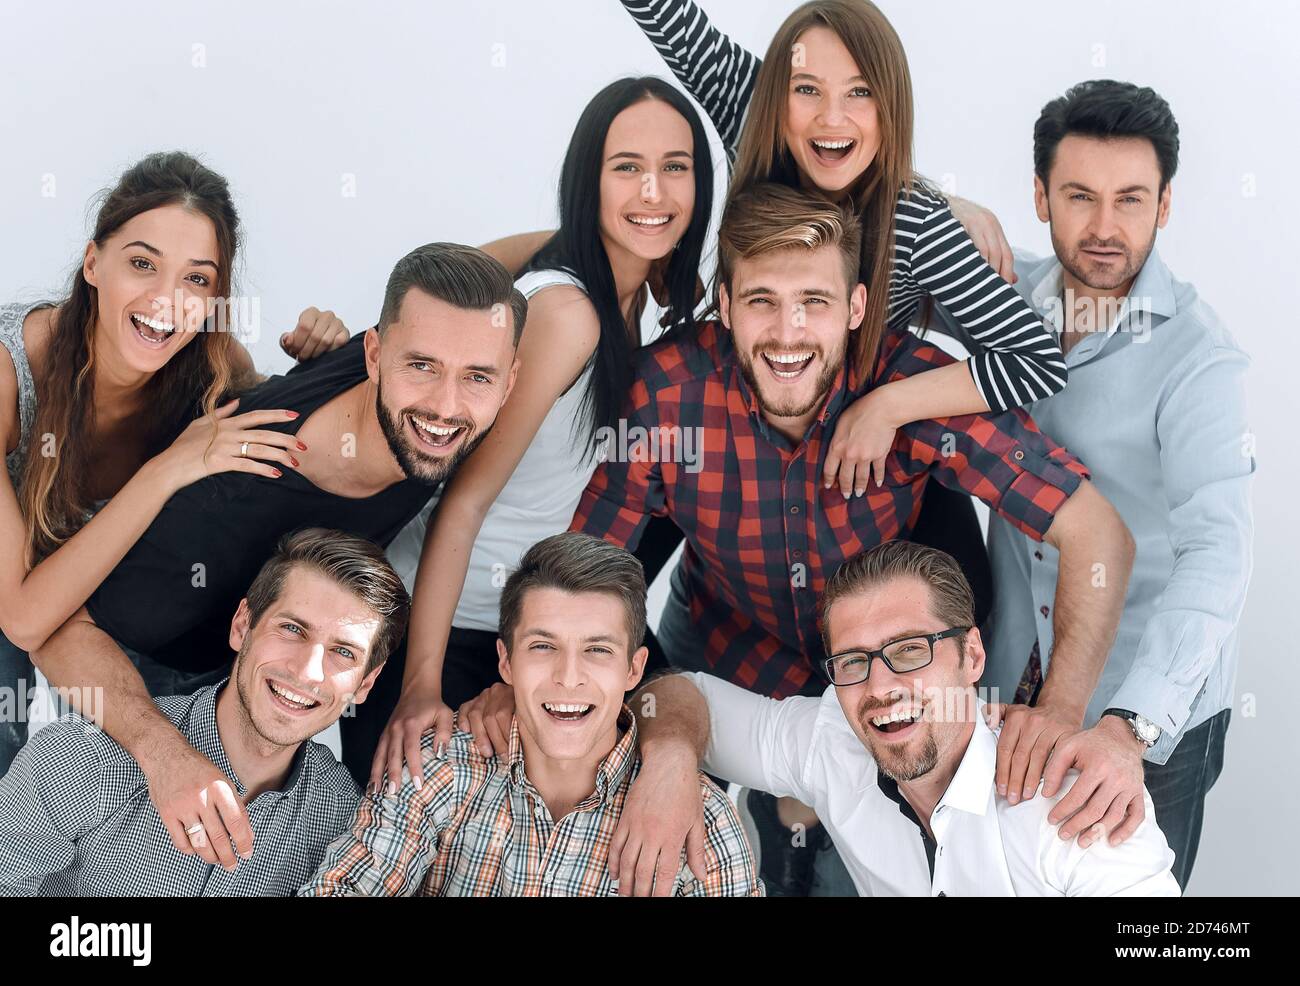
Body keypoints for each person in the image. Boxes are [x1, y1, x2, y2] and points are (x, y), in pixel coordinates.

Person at [464, 184, 1139, 896]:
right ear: (723, 306)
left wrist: (1061, 713)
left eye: (814, 303)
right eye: (761, 301)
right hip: (725, 640)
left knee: (848, 868)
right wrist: (530, 684)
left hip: (873, 673)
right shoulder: (667, 392)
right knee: (658, 826)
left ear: (854, 308)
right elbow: (589, 571)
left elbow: (1100, 536)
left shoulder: (908, 382)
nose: (788, 334)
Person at [25, 241, 525, 871]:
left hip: (271, 673)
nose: (447, 405)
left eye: (476, 376)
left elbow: (460, 286)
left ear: (509, 382)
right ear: (375, 355)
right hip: (141, 687)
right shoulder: (230, 500)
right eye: (420, 366)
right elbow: (55, 626)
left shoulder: (417, 404)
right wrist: (163, 751)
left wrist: (562, 234)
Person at [616, 0, 1075, 624]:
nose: (831, 118)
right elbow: (666, 16)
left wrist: (886, 406)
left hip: (866, 461)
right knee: (609, 581)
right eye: (808, 89)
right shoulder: (755, 109)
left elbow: (1034, 361)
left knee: (957, 616)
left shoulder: (915, 220)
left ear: (892, 105)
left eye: (860, 92)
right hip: (741, 426)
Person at [374, 77, 715, 789]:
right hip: (443, 632)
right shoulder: (569, 313)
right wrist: (419, 688)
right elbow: (461, 502)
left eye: (674, 167)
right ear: (586, 180)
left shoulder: (617, 304)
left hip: (517, 626)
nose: (653, 191)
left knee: (682, 744)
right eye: (626, 167)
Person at [967, 80, 1253, 890]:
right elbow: (881, 226)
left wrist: (1132, 726)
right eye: (1079, 196)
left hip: (1149, 710)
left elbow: (1219, 551)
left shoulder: (1201, 360)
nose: (1103, 228)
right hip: (1016, 682)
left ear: (1165, 205)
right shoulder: (1004, 297)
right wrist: (953, 201)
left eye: (1130, 200)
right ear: (1038, 196)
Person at [0, 151, 352, 774]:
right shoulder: (10, 375)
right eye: (142, 264)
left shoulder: (213, 366)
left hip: (85, 615)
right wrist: (167, 469)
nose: (167, 301)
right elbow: (24, 617)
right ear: (92, 263)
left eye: (196, 279)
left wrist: (319, 364)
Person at [632, 539, 1179, 896]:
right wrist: (669, 762)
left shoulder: (1074, 808)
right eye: (852, 661)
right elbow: (684, 695)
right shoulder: (833, 740)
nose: (880, 686)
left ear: (972, 657)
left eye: (911, 650)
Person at [301, 532, 761, 897]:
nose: (568, 676)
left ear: (633, 669)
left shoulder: (702, 822)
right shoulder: (439, 768)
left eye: (597, 650)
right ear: (506, 662)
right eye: (543, 646)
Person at [0, 528, 409, 895]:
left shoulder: (345, 824)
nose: (307, 672)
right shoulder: (80, 758)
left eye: (343, 652)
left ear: (366, 683)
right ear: (242, 626)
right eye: (292, 629)